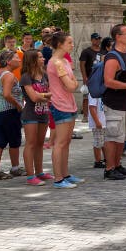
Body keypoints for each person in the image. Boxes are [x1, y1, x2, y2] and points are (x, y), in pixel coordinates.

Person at [101, 24, 126, 181]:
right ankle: (109, 168)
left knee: (122, 137)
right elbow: (108, 81)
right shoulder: (113, 57)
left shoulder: (125, 55)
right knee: (113, 137)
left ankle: (117, 164)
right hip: (114, 103)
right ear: (118, 37)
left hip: (125, 102)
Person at [47, 31, 84, 188]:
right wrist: (73, 82)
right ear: (60, 44)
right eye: (69, 42)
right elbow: (71, 85)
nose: (72, 45)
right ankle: (58, 178)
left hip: (68, 104)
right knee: (60, 143)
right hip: (60, 104)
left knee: (66, 142)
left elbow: (73, 83)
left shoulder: (65, 61)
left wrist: (73, 82)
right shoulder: (56, 62)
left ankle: (65, 174)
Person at [19, 50, 54, 185]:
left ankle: (39, 172)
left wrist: (42, 95)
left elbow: (51, 92)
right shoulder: (26, 77)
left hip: (44, 113)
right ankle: (30, 176)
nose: (43, 59)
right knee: (31, 144)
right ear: (33, 60)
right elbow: (33, 97)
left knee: (40, 144)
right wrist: (45, 95)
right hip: (30, 114)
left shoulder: (44, 74)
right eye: (40, 57)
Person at [0, 50, 25, 180]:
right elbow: (7, 94)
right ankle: (15, 168)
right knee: (14, 139)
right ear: (8, 61)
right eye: (16, 58)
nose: (19, 59)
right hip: (9, 111)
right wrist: (18, 106)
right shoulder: (8, 76)